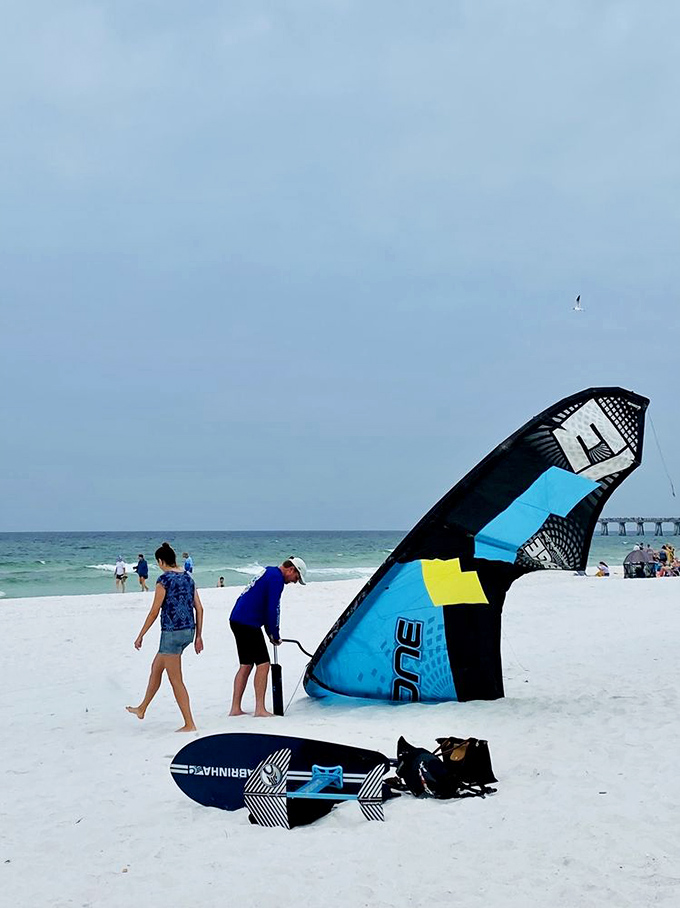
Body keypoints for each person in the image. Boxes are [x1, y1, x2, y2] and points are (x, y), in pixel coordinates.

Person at [127, 542, 204, 732]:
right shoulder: (188, 577)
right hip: (189, 631)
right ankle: (142, 708)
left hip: (171, 634)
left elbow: (154, 612)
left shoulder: (164, 580)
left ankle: (189, 723)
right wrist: (198, 636)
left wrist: (140, 635)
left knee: (176, 680)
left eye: (158, 562)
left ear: (161, 561)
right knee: (156, 668)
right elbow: (200, 608)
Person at [228, 557, 307, 717]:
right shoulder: (276, 579)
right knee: (263, 665)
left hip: (237, 619)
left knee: (246, 664)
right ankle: (260, 709)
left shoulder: (269, 571)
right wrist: (275, 634)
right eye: (296, 578)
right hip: (248, 622)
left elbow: (263, 606)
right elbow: (272, 609)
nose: (294, 582)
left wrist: (270, 633)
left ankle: (235, 709)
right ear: (291, 570)